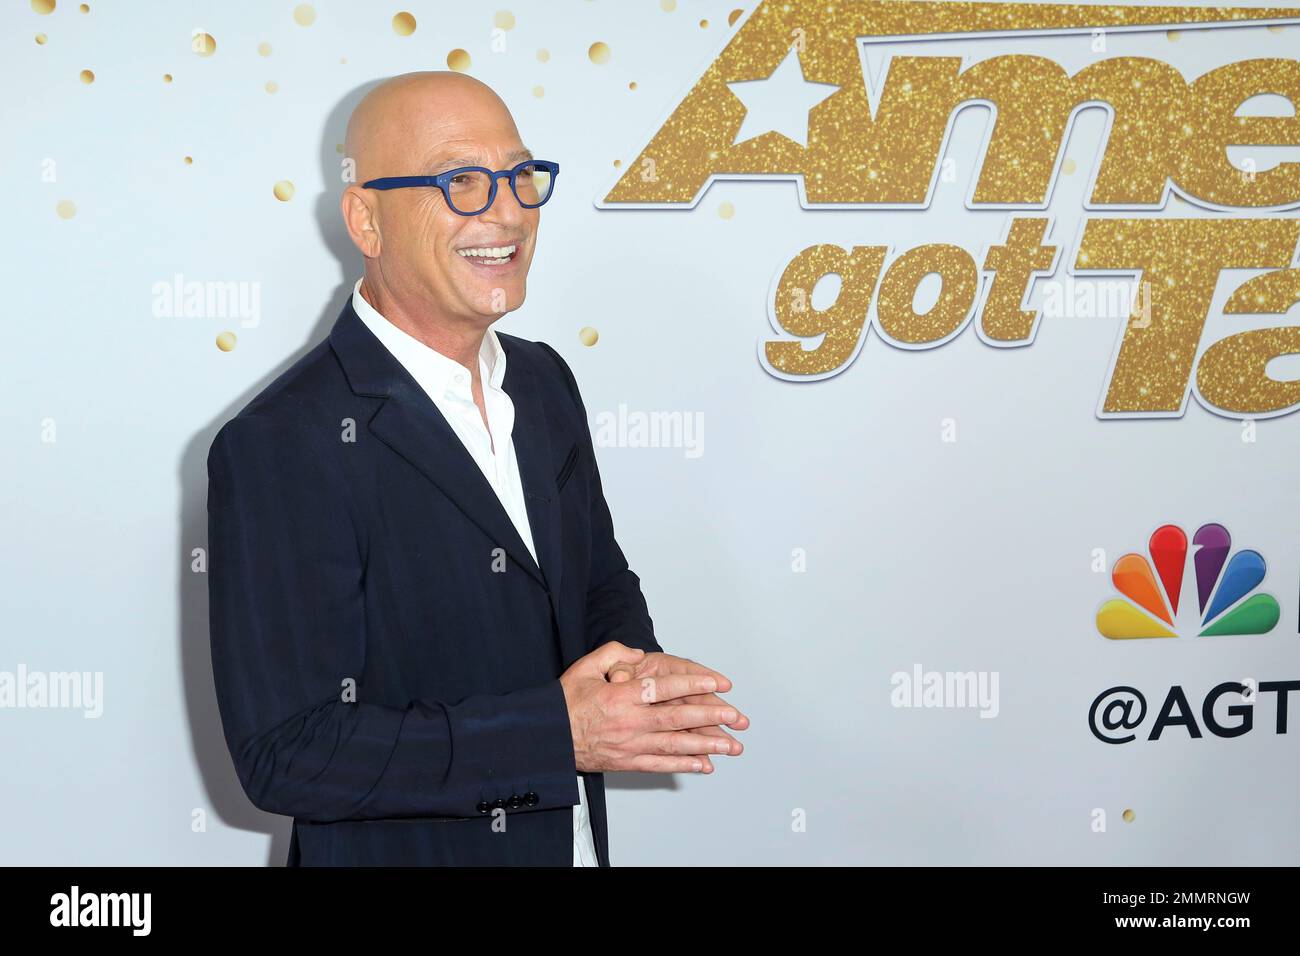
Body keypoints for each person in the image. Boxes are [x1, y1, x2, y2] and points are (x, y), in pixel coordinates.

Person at [206, 71, 747, 866]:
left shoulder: (542, 379)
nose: (507, 211)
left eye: (521, 177)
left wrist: (634, 675)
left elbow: (594, 579)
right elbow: (290, 751)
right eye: (460, 180)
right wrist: (559, 734)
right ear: (367, 220)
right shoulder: (284, 440)